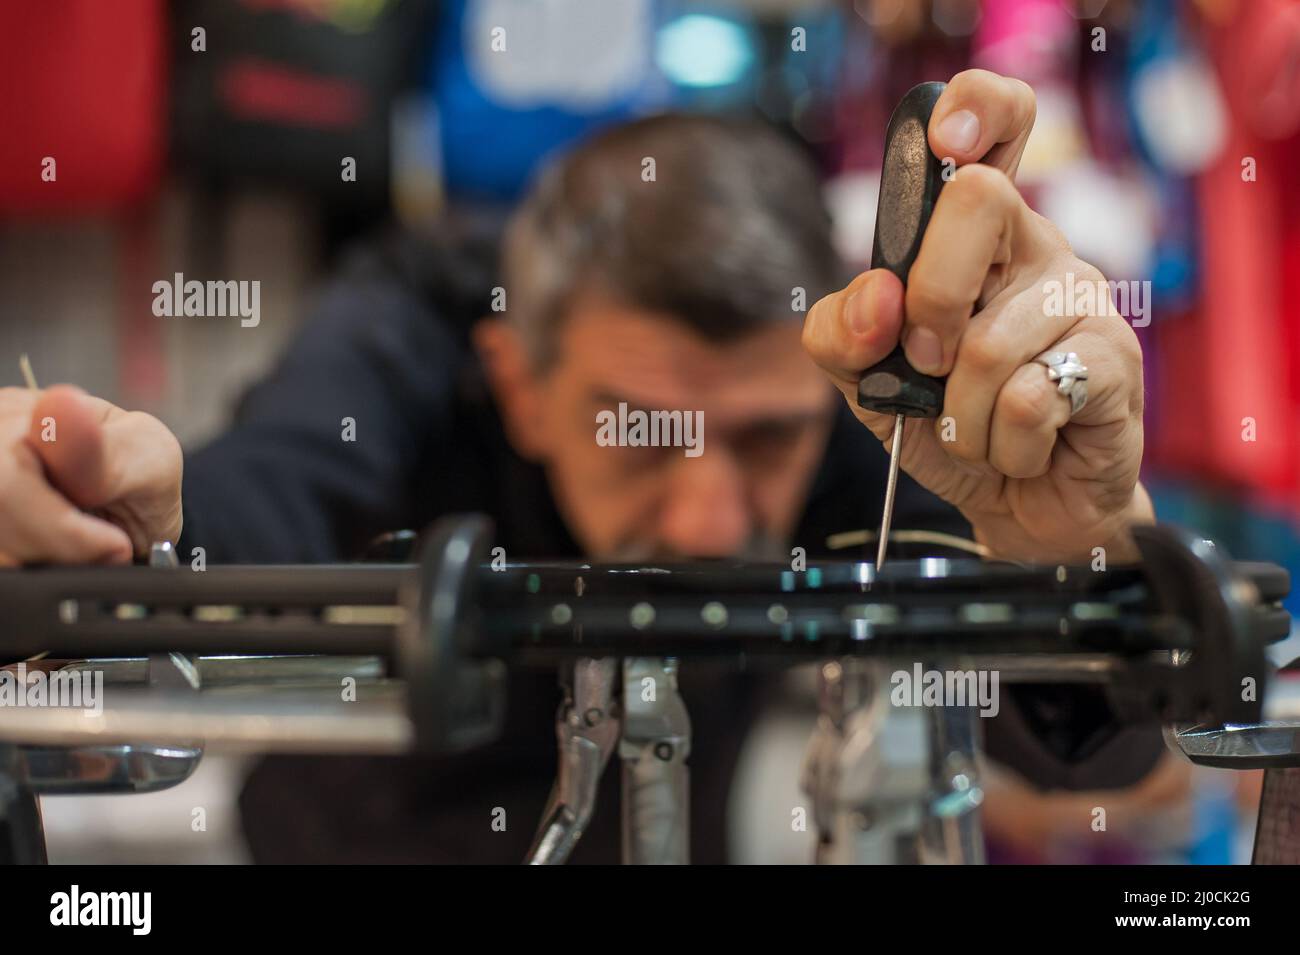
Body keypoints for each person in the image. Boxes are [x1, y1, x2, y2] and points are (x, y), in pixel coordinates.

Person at [0, 71, 1159, 862]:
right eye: (636, 428)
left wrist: (1075, 543)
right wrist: (93, 526)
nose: (709, 515)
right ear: (515, 379)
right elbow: (240, 512)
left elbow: (1084, 745)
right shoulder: (401, 342)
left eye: (763, 440)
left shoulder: (835, 401)